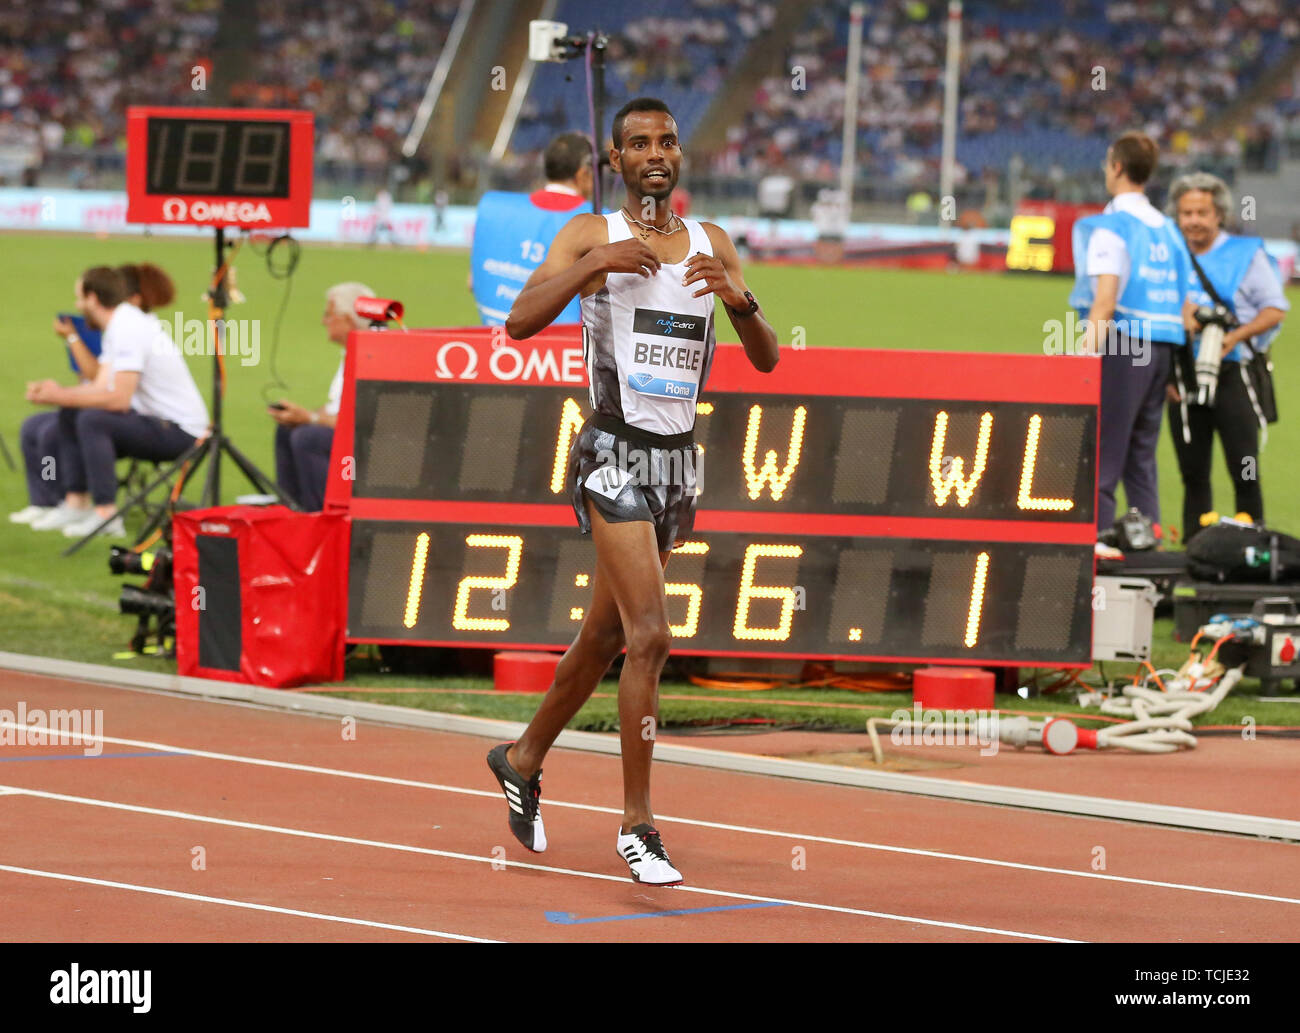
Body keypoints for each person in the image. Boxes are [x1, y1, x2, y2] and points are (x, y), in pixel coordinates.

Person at [485, 97, 779, 886]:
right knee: (651, 636)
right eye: (639, 143)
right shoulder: (590, 233)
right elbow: (516, 322)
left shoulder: (714, 241)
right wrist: (591, 269)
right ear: (614, 161)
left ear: (681, 155)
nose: (656, 153)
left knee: (602, 641)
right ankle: (638, 825)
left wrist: (738, 298)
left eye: (668, 141)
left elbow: (767, 359)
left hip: (677, 468)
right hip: (612, 453)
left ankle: (519, 757)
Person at [23, 265, 208, 539]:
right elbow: (99, 386)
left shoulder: (128, 328)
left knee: (92, 420)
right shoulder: (119, 325)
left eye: (79, 297)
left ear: (93, 298)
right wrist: (59, 392)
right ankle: (75, 504)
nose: (77, 305)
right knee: (71, 413)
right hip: (157, 421)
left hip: (183, 431)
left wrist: (59, 395)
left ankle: (106, 516)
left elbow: (119, 399)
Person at [1070, 132, 1191, 546]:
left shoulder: (1112, 227)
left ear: (1117, 167)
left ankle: (1099, 542)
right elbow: (1185, 304)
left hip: (1125, 344)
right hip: (1163, 348)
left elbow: (1104, 302)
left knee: (1104, 449)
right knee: (1141, 457)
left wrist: (1080, 357)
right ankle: (1147, 545)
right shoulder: (1169, 229)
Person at [1167, 171, 1288, 540]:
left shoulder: (1244, 254)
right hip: (1183, 377)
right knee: (1193, 473)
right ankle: (1196, 550)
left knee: (1244, 466)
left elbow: (1275, 308)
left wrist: (1234, 336)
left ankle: (1252, 547)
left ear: (1219, 214)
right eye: (1186, 213)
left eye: (1202, 212)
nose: (1193, 221)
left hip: (1235, 374)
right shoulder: (1169, 255)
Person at [268, 281, 374, 512]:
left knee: (308, 437)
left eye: (329, 315)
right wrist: (300, 415)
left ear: (348, 319)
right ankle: (292, 510)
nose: (323, 321)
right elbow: (337, 409)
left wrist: (311, 418)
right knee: (288, 428)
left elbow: (360, 423)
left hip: (371, 446)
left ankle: (322, 514)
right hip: (357, 436)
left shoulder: (372, 355)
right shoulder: (353, 352)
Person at [468, 131, 594, 325]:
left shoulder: (494, 206)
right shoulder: (597, 220)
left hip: (495, 339)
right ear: (582, 174)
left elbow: (472, 282)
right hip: (559, 347)